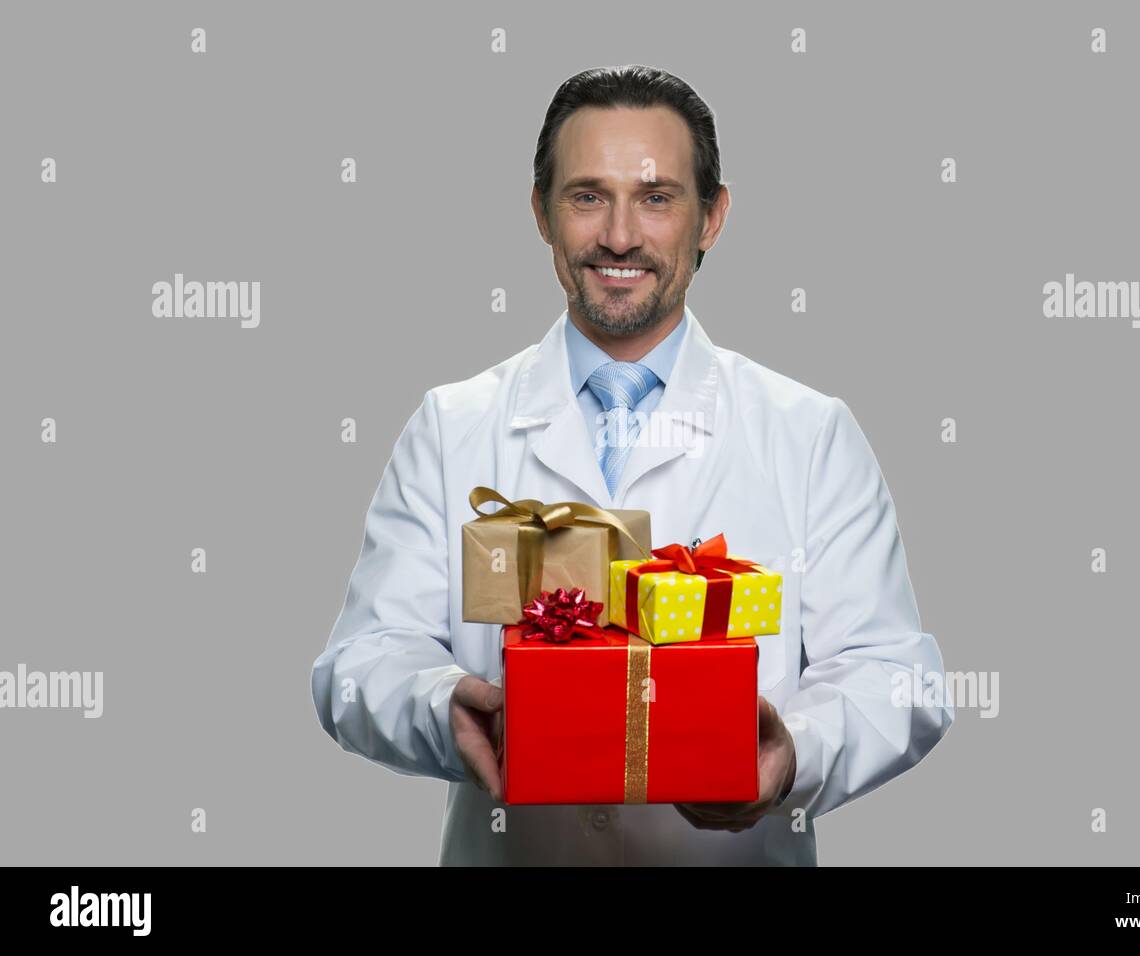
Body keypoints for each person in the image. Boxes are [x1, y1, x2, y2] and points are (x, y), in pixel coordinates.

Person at [311, 64, 954, 865]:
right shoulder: (451, 427)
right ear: (541, 212)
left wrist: (794, 753)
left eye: (656, 197)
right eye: (587, 196)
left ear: (712, 216)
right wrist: (445, 709)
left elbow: (899, 678)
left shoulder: (810, 433)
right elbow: (358, 665)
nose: (619, 235)